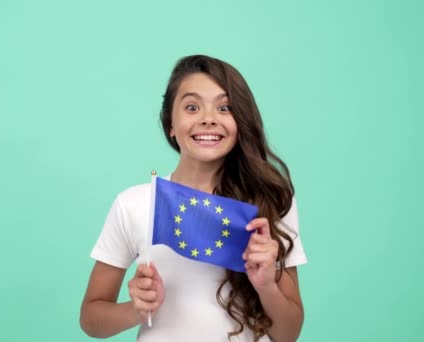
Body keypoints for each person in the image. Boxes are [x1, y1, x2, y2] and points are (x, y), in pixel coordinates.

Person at [80, 55, 307, 342]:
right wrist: (137, 310)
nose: (208, 118)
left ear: (240, 122)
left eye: (225, 107)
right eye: (191, 107)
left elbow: (288, 335)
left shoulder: (269, 201)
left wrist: (265, 285)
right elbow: (91, 319)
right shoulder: (135, 205)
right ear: (170, 124)